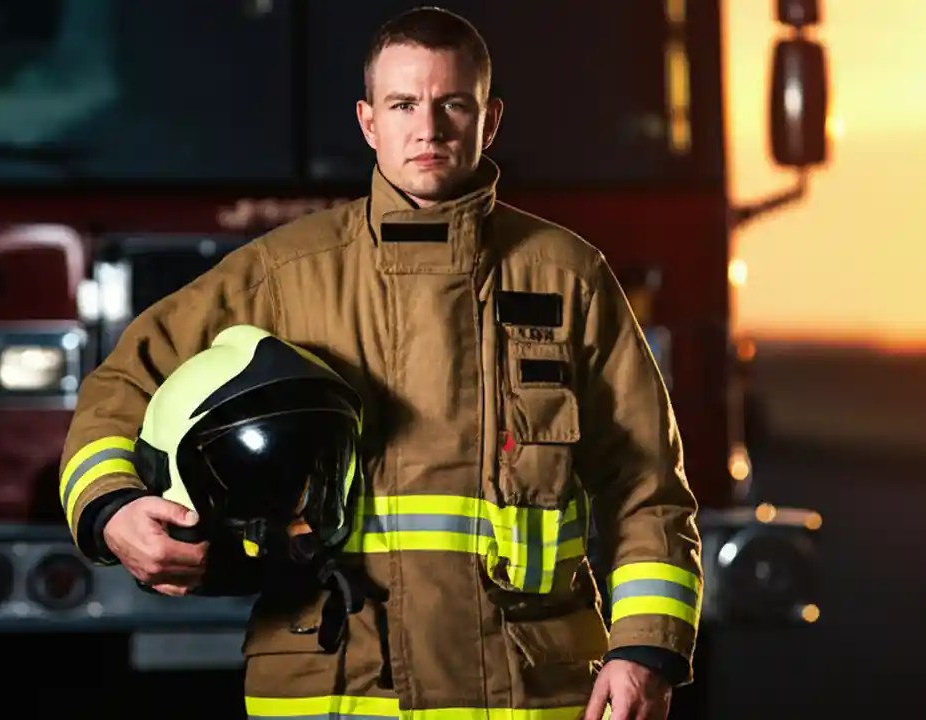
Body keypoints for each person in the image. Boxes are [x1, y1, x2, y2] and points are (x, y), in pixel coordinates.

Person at [57, 7, 702, 720]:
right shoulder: (283, 275)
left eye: (452, 103)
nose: (428, 128)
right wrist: (110, 505)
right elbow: (122, 382)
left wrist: (645, 649)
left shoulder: (568, 279)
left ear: (489, 120)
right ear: (369, 122)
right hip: (333, 688)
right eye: (403, 104)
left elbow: (645, 482)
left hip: (529, 692)